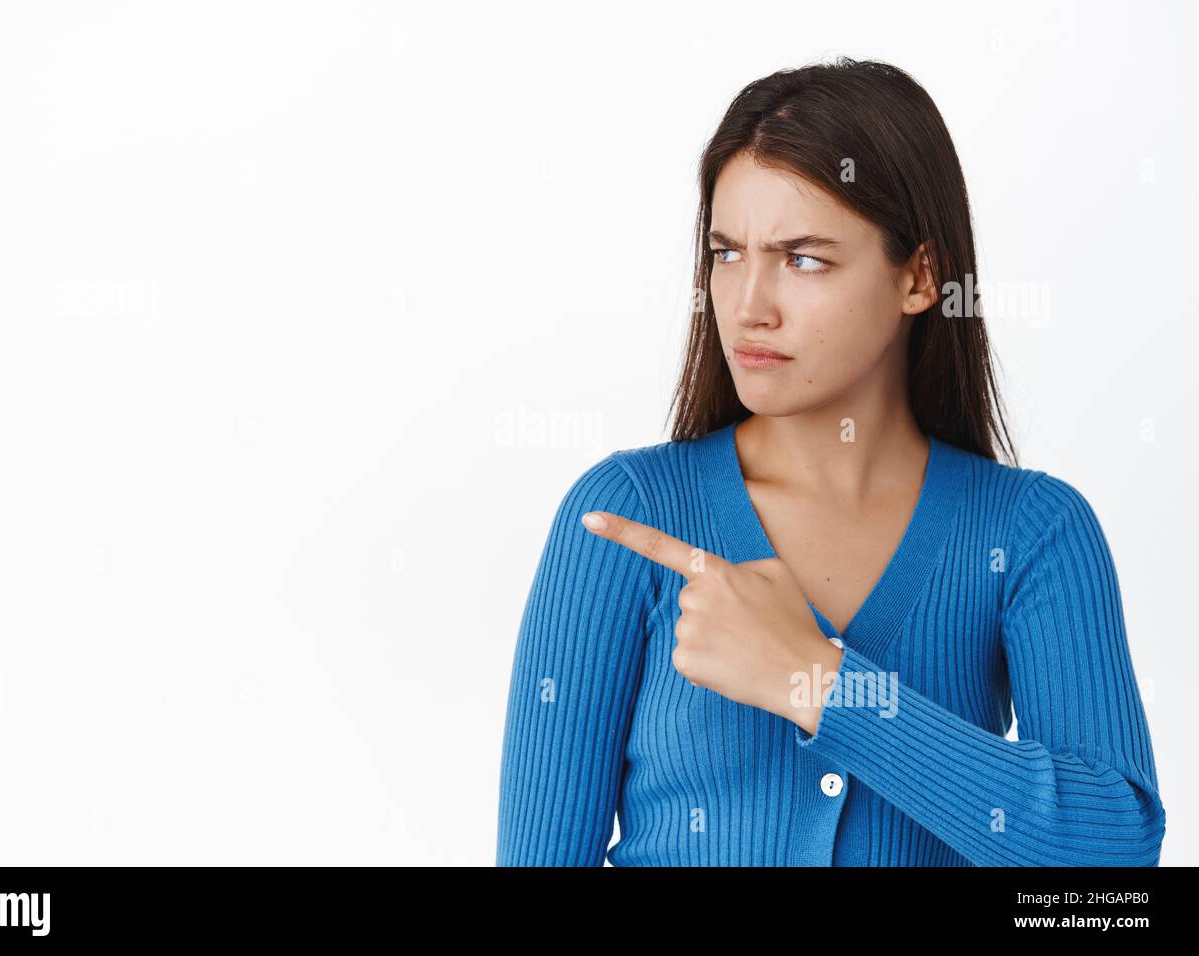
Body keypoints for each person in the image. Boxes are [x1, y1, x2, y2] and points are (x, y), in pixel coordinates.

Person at [495, 58, 1165, 867]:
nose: (748, 306)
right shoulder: (623, 517)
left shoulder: (1032, 532)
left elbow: (1112, 863)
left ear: (920, 277)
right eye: (726, 252)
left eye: (804, 258)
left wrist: (818, 682)